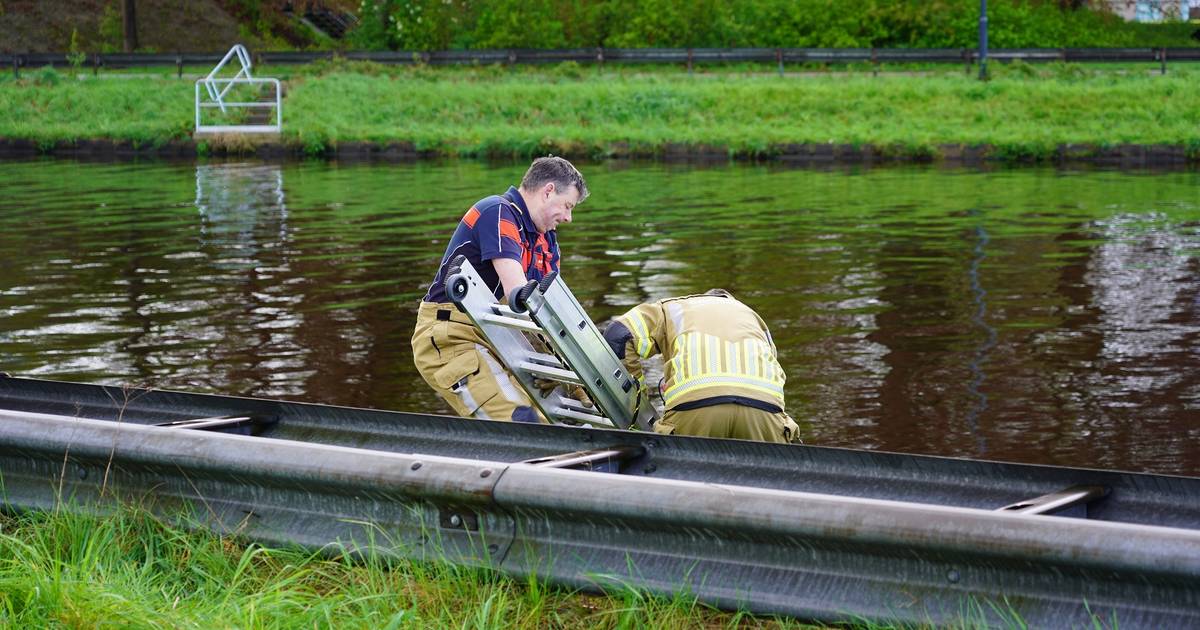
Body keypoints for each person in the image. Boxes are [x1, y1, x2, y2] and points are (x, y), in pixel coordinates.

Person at [412, 157, 587, 423]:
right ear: (548, 191)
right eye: (567, 206)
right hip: (454, 335)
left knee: (569, 415)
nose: (568, 218)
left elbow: (550, 310)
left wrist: (580, 381)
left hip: (502, 335)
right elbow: (517, 291)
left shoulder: (547, 239)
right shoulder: (498, 211)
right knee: (521, 420)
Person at [603, 289, 801, 443]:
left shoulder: (670, 309)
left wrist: (637, 401)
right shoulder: (753, 318)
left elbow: (618, 335)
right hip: (764, 410)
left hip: (695, 408)